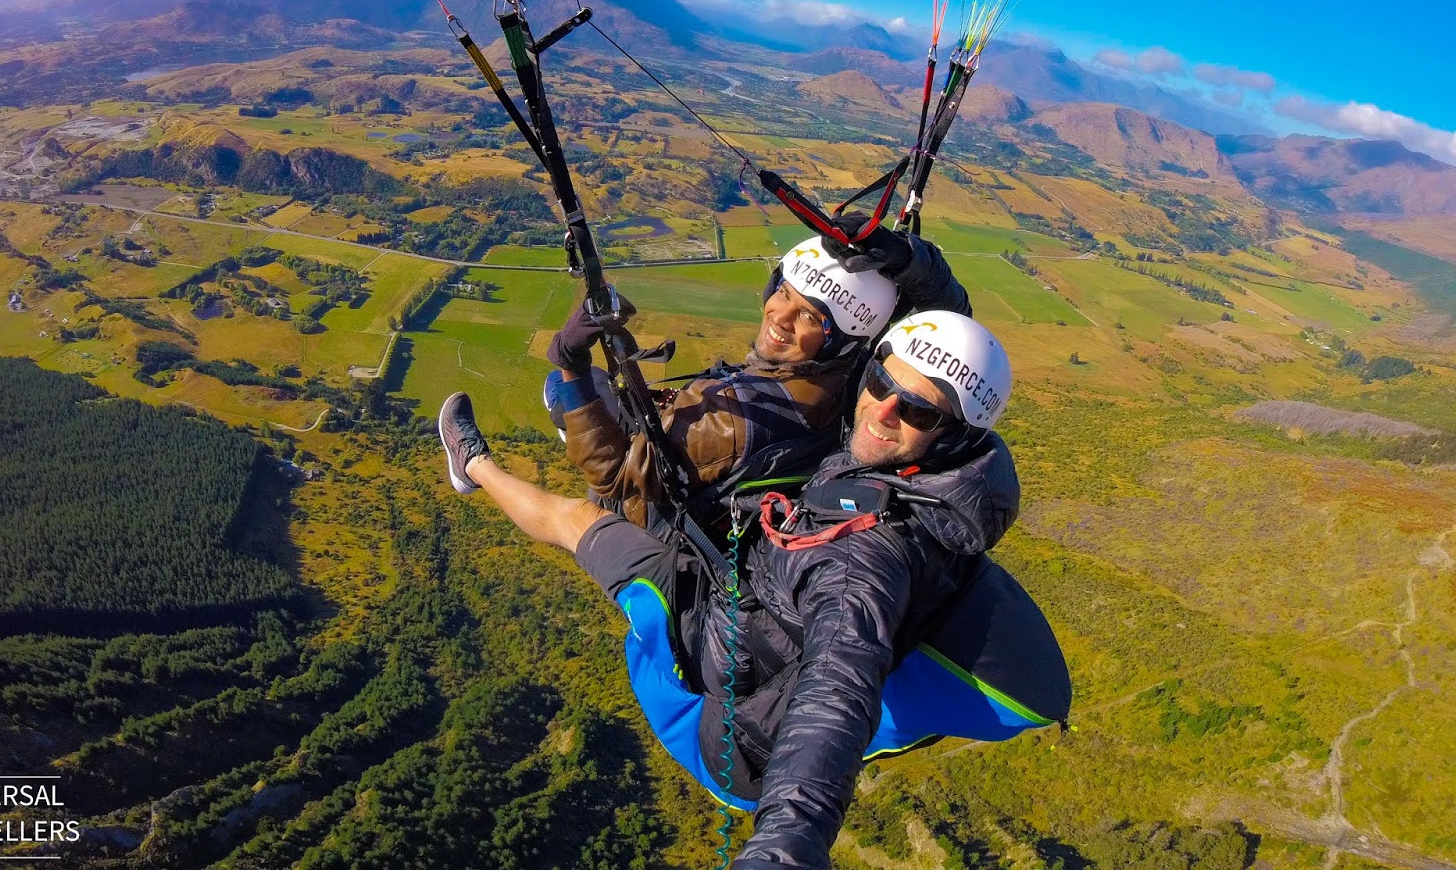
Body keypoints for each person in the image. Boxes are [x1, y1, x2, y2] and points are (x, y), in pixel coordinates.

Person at [438, 309, 1070, 869]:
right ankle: (583, 413)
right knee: (678, 507)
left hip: (727, 711)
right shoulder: (940, 485)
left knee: (584, 521)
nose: (881, 410)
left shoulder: (865, 561)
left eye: (918, 410)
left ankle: (471, 465)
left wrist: (786, 847)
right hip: (759, 633)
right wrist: (904, 256)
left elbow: (837, 691)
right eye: (881, 383)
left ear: (954, 432)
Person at [543, 218, 970, 530]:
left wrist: (570, 361)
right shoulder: (859, 377)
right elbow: (954, 333)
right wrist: (911, 261)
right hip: (733, 452)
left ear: (840, 338)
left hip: (654, 512)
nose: (778, 317)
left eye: (808, 316)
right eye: (783, 294)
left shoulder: (734, 420)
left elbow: (618, 478)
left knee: (568, 392)